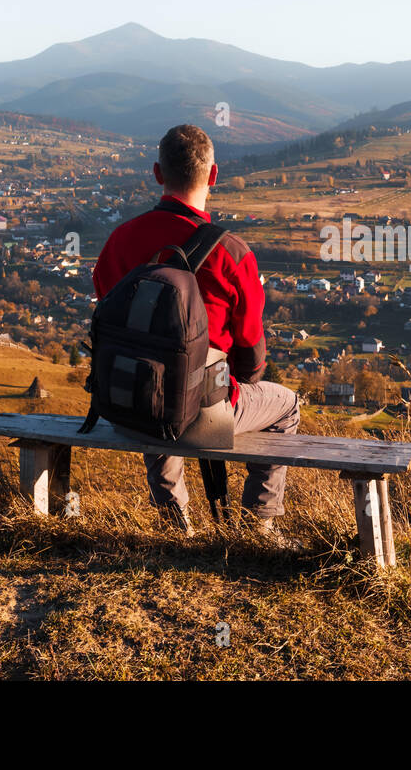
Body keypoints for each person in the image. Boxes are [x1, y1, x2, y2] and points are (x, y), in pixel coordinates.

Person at [92, 124, 300, 540]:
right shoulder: (232, 253)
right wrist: (233, 385)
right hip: (208, 413)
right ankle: (259, 525)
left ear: (156, 173)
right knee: (287, 405)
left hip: (128, 409)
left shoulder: (119, 241)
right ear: (214, 175)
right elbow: (252, 352)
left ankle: (174, 523)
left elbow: (111, 320)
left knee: (152, 380)